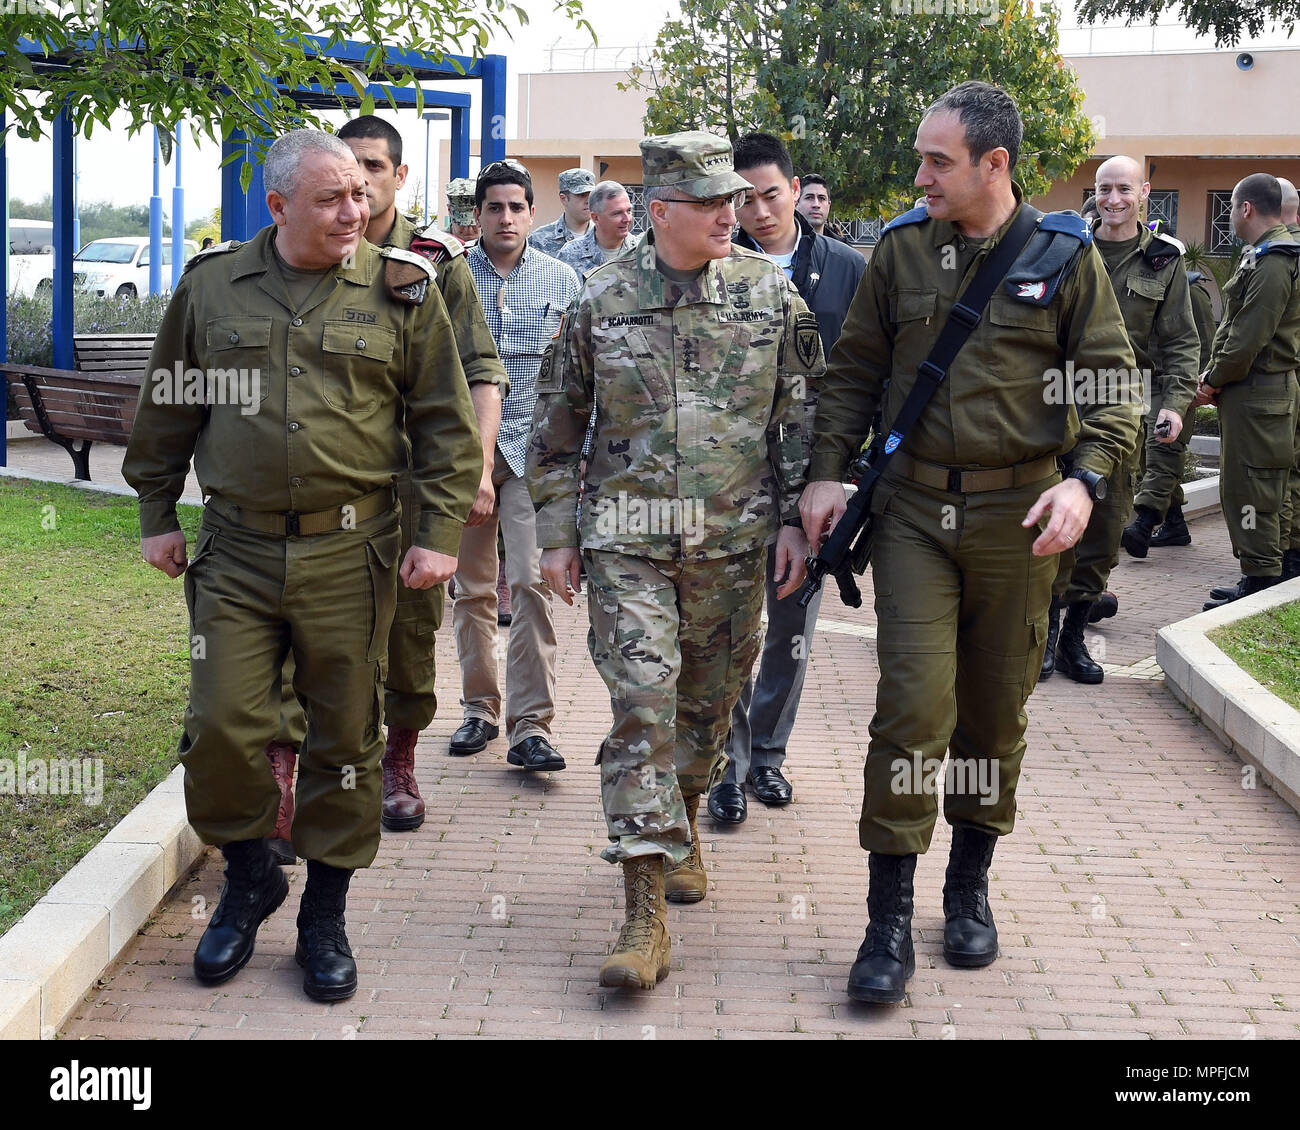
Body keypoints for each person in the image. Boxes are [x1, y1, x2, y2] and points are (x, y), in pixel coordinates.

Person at [800, 82, 1139, 1004]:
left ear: (996, 164)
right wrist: (828, 471)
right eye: (921, 159)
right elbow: (855, 371)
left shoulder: (1066, 259)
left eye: (937, 161)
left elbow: (1112, 391)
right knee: (913, 706)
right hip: (913, 514)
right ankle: (887, 920)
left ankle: (967, 887)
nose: (920, 176)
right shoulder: (901, 251)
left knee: (994, 714)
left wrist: (1085, 479)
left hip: (1019, 520)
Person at [123, 129, 481, 1001]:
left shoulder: (404, 289)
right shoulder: (212, 287)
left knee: (347, 742)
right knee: (221, 729)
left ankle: (326, 910)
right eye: (331, 199)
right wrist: (154, 512)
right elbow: (170, 400)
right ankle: (251, 877)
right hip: (237, 550)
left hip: (353, 551)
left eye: (360, 194)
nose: (354, 212)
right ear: (277, 206)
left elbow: (444, 419)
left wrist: (437, 532)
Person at [528, 129, 822, 990]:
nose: (733, 213)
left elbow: (804, 416)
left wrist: (801, 522)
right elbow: (554, 426)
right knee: (643, 709)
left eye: (736, 199)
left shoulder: (773, 296)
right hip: (628, 546)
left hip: (734, 544)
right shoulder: (598, 300)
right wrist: (555, 534)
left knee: (705, 706)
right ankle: (643, 913)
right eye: (710, 202)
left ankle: (686, 820)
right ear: (660, 211)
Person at [255, 115, 508, 852]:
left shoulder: (432, 264)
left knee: (408, 635)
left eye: (372, 166)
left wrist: (477, 472)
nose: (358, 183)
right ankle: (285, 775)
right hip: (319, 492)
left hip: (407, 490)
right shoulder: (299, 255)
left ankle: (399, 763)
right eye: (346, 166)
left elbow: (478, 377)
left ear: (400, 176)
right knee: (296, 640)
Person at [708, 131, 865, 824]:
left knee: (788, 626)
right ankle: (727, 764)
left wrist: (845, 477)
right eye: (744, 198)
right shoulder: (715, 270)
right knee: (727, 627)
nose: (760, 210)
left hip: (812, 480)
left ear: (797, 191)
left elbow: (863, 375)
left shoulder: (847, 270)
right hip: (734, 483)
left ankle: (767, 757)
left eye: (771, 194)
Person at [1042, 155, 1198, 685]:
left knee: (1104, 527)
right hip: (1061, 399)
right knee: (1053, 518)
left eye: (1124, 189)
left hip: (1124, 403)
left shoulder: (1163, 261)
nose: (1113, 199)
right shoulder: (1065, 247)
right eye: (1104, 189)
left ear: (1145, 193)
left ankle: (1072, 640)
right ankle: (1043, 630)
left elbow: (1180, 341)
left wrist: (1174, 404)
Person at [451, 160, 579, 769]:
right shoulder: (450, 278)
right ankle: (479, 710)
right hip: (465, 454)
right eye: (494, 208)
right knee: (472, 587)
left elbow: (582, 377)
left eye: (516, 207)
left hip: (536, 455)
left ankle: (531, 725)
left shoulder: (563, 280)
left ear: (533, 213)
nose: (505, 218)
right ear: (477, 215)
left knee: (531, 583)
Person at [1194, 172, 1300, 608]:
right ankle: (1273, 569)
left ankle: (1259, 578)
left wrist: (1212, 379)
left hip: (1256, 390)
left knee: (1251, 485)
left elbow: (1247, 335)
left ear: (1246, 209)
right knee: (1271, 482)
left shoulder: (1274, 260)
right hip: (1260, 389)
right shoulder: (1270, 253)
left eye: (1231, 207)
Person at [557, 180, 637, 277]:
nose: (627, 219)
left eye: (629, 211)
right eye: (617, 213)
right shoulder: (570, 254)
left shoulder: (643, 250)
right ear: (596, 218)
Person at [529, 167, 596, 258]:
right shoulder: (539, 240)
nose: (588, 201)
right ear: (563, 198)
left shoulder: (605, 237)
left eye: (591, 195)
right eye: (581, 195)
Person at [445, 177, 481, 244]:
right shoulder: (438, 243)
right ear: (449, 210)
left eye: (473, 223)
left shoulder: (493, 244)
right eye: (463, 224)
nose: (469, 230)